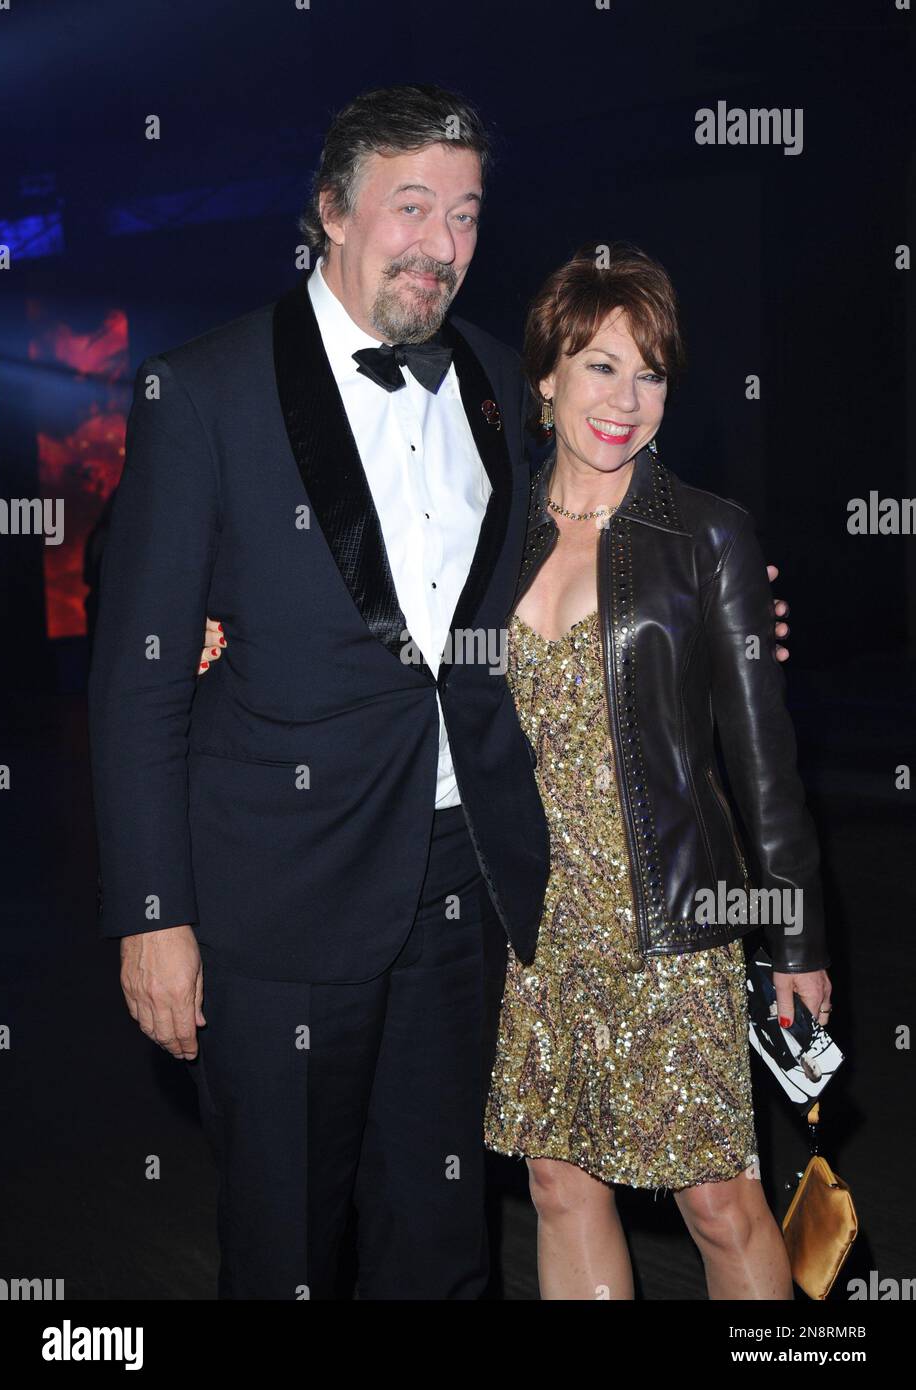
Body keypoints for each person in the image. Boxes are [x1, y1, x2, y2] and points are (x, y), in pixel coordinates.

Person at [91, 82, 792, 1301]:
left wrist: (727, 604)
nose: (442, 243)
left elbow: (597, 519)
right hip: (281, 906)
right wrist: (153, 915)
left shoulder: (483, 377)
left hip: (473, 889)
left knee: (445, 1243)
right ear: (329, 213)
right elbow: (133, 673)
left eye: (465, 214)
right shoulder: (200, 389)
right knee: (289, 1247)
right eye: (410, 206)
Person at [481, 243, 832, 1300]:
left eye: (650, 372)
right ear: (544, 376)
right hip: (534, 924)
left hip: (671, 913)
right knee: (557, 1181)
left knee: (721, 1201)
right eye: (600, 366)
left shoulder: (707, 534)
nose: (626, 400)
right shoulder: (488, 530)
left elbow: (765, 762)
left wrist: (796, 942)